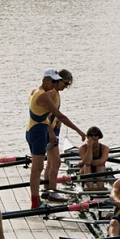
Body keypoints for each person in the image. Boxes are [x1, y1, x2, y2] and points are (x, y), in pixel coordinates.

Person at [26, 69, 86, 209]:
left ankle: (44, 194)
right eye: (55, 81)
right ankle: (36, 202)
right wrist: (78, 131)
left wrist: (54, 122)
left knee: (42, 166)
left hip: (35, 130)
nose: (58, 85)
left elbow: (47, 113)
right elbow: (60, 116)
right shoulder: (47, 94)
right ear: (46, 80)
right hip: (39, 131)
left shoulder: (38, 91)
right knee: (38, 169)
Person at [41, 69, 74, 203]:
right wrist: (51, 133)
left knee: (50, 161)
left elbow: (54, 112)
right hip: (51, 131)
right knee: (56, 162)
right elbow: (46, 116)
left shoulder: (55, 93)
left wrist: (58, 120)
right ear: (59, 80)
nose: (65, 87)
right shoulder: (53, 93)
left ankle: (46, 190)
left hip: (53, 129)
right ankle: (53, 192)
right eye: (65, 84)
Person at [77, 126, 110, 191]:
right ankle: (90, 187)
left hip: (100, 169)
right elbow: (87, 163)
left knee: (99, 166)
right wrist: (89, 147)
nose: (93, 137)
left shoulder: (105, 148)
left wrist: (82, 162)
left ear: (99, 136)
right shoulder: (82, 148)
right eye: (91, 135)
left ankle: (100, 187)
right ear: (88, 137)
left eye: (96, 135)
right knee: (87, 166)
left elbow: (101, 162)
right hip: (85, 171)